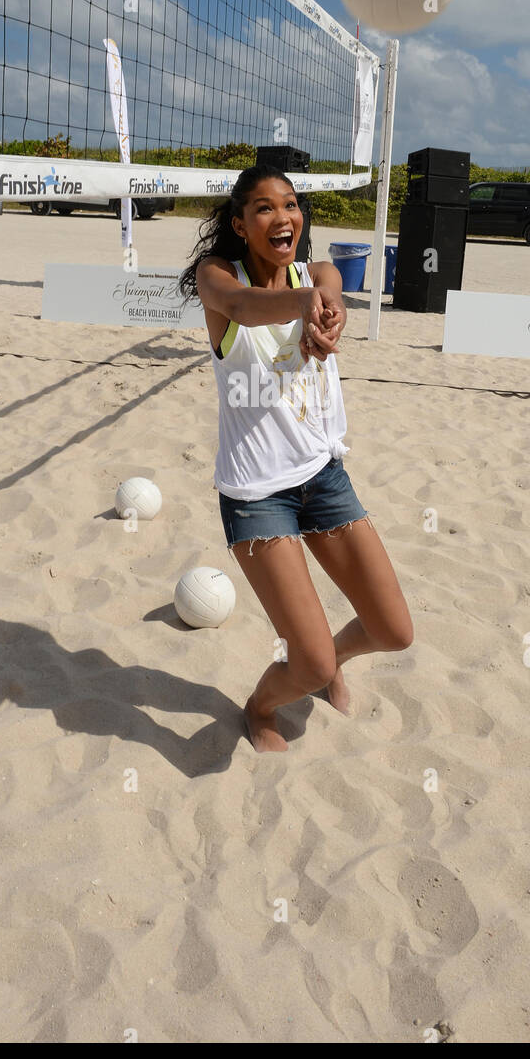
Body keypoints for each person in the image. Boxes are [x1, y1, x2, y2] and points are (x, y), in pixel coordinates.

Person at [179, 165, 413, 752]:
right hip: (257, 496)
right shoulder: (218, 279)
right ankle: (259, 708)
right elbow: (246, 306)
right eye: (263, 208)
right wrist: (307, 302)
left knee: (393, 631)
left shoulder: (319, 273)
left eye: (290, 204)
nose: (282, 216)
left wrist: (327, 309)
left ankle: (330, 660)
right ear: (239, 223)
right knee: (303, 666)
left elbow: (329, 284)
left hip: (324, 478)